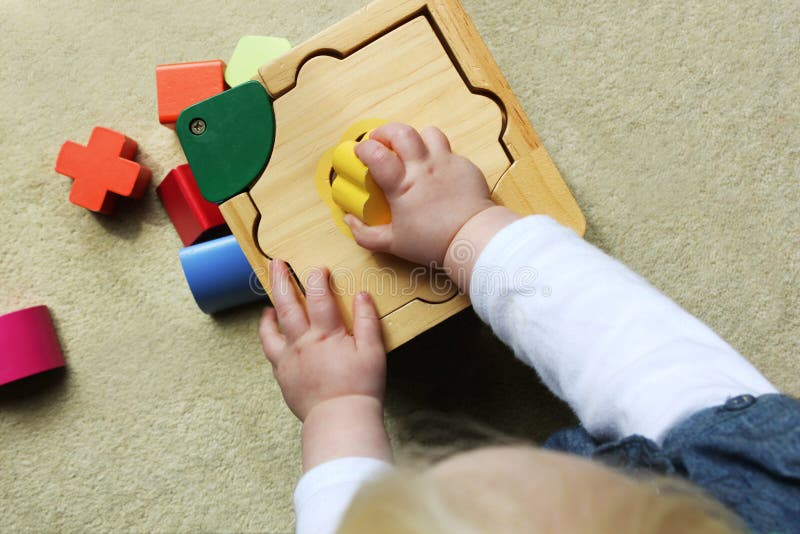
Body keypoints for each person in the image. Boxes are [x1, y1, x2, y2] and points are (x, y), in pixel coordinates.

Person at [258, 123, 799, 533]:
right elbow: (653, 360)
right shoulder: (759, 493)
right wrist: (469, 232)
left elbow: (349, 522)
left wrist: (337, 410)